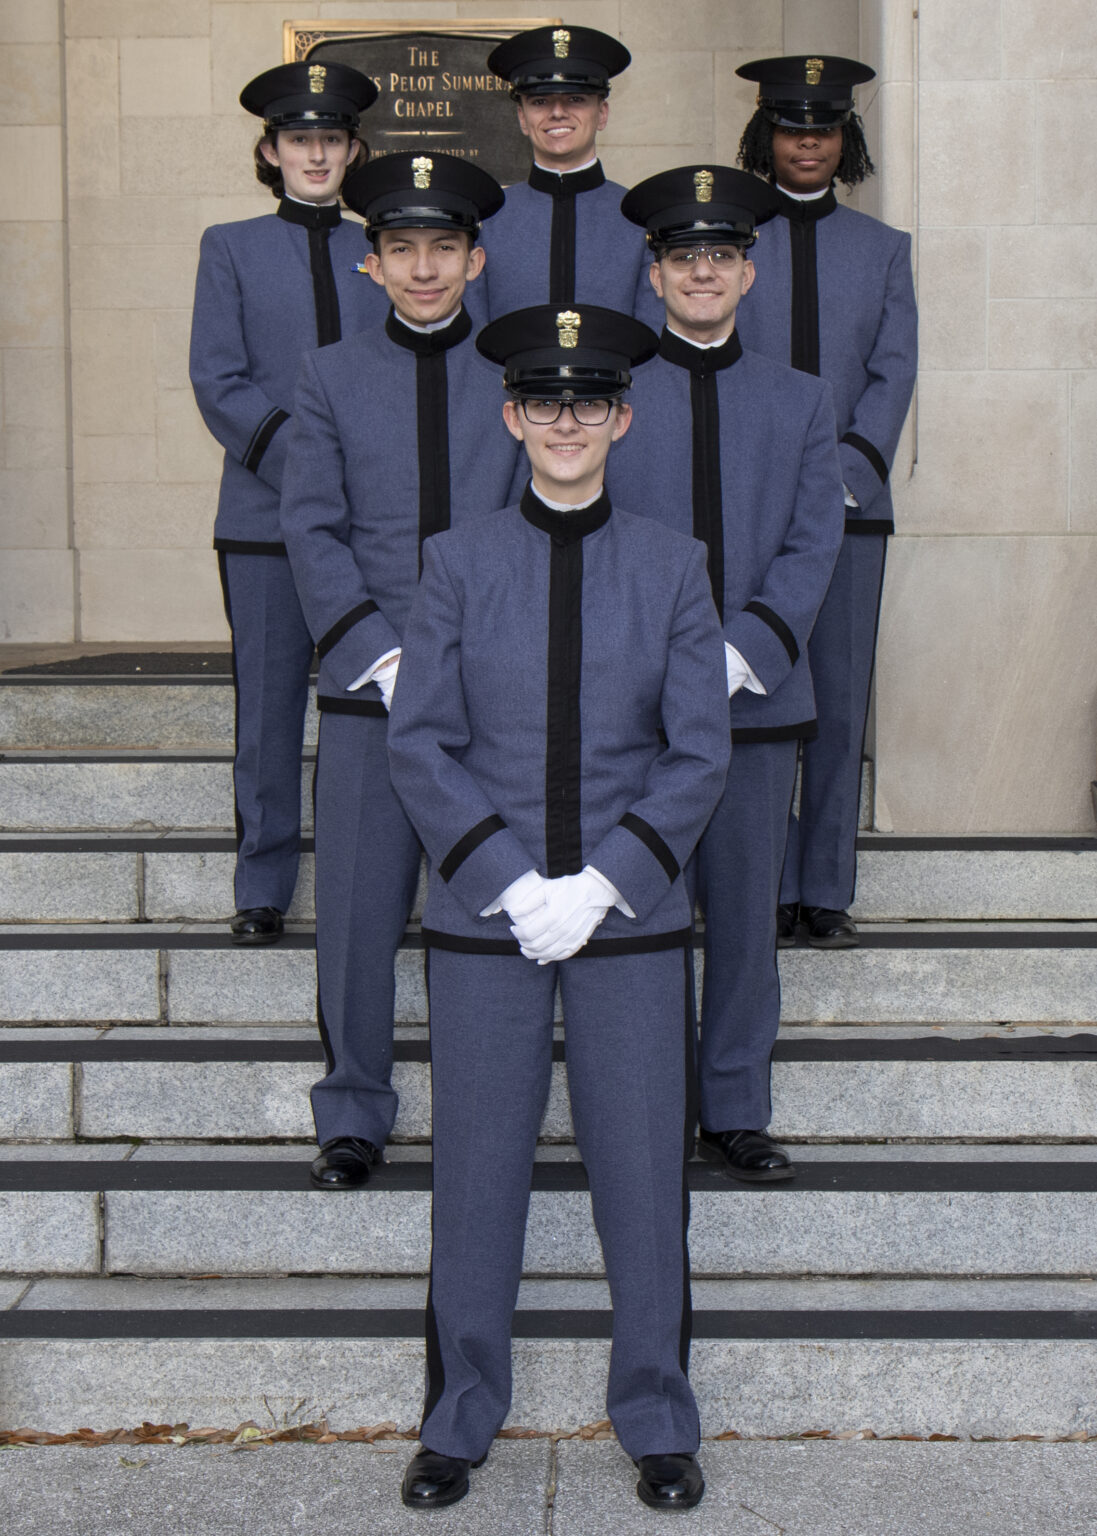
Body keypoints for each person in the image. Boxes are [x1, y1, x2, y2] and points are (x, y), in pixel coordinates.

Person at [386, 305, 730, 1512]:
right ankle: (459, 1417)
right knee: (476, 1171)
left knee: (641, 1172)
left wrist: (605, 880)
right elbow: (420, 743)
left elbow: (697, 752)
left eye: (589, 404)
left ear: (622, 419)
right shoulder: (455, 560)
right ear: (510, 416)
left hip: (627, 918)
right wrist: (507, 879)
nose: (566, 422)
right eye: (544, 404)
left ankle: (655, 1416)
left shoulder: (672, 562)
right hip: (488, 919)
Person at [279, 152, 522, 1191]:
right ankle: (352, 1112)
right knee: (358, 913)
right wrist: (375, 651)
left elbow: (528, 520)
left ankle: (493, 1105)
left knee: (489, 910)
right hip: (370, 690)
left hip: (488, 698)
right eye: (400, 249)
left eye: (442, 248)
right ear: (369, 264)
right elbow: (312, 526)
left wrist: (477, 655)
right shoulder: (329, 376)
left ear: (476, 258)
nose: (423, 268)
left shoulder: (517, 373)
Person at [609, 166, 845, 1181]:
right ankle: (649, 1105)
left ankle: (734, 1106)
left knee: (745, 916)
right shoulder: (609, 397)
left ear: (747, 274)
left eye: (719, 257)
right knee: (646, 918)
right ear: (652, 274)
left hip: (757, 701)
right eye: (680, 258)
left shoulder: (797, 400)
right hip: (634, 711)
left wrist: (743, 649)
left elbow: (809, 539)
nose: (700, 273)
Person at [189, 61, 380, 945]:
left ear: (352, 150)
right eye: (299, 139)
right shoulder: (229, 245)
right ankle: (262, 884)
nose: (316, 153)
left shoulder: (382, 249)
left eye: (330, 139)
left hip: (369, 529)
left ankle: (367, 868)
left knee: (365, 705)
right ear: (269, 150)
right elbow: (218, 380)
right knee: (267, 708)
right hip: (264, 523)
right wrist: (311, 463)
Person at [734, 55, 918, 949]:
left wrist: (846, 473)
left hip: (851, 511)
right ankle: (758, 882)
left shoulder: (882, 252)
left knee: (839, 703)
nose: (806, 142)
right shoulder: (726, 242)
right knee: (757, 694)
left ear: (846, 140)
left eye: (823, 128)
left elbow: (891, 374)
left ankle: (824, 888)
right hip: (745, 512)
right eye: (790, 127)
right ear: (763, 136)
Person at [476, 24, 657, 323]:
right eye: (539, 101)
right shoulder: (490, 221)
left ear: (602, 114)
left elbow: (653, 341)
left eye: (576, 99)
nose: (557, 112)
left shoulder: (638, 219)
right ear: (522, 118)